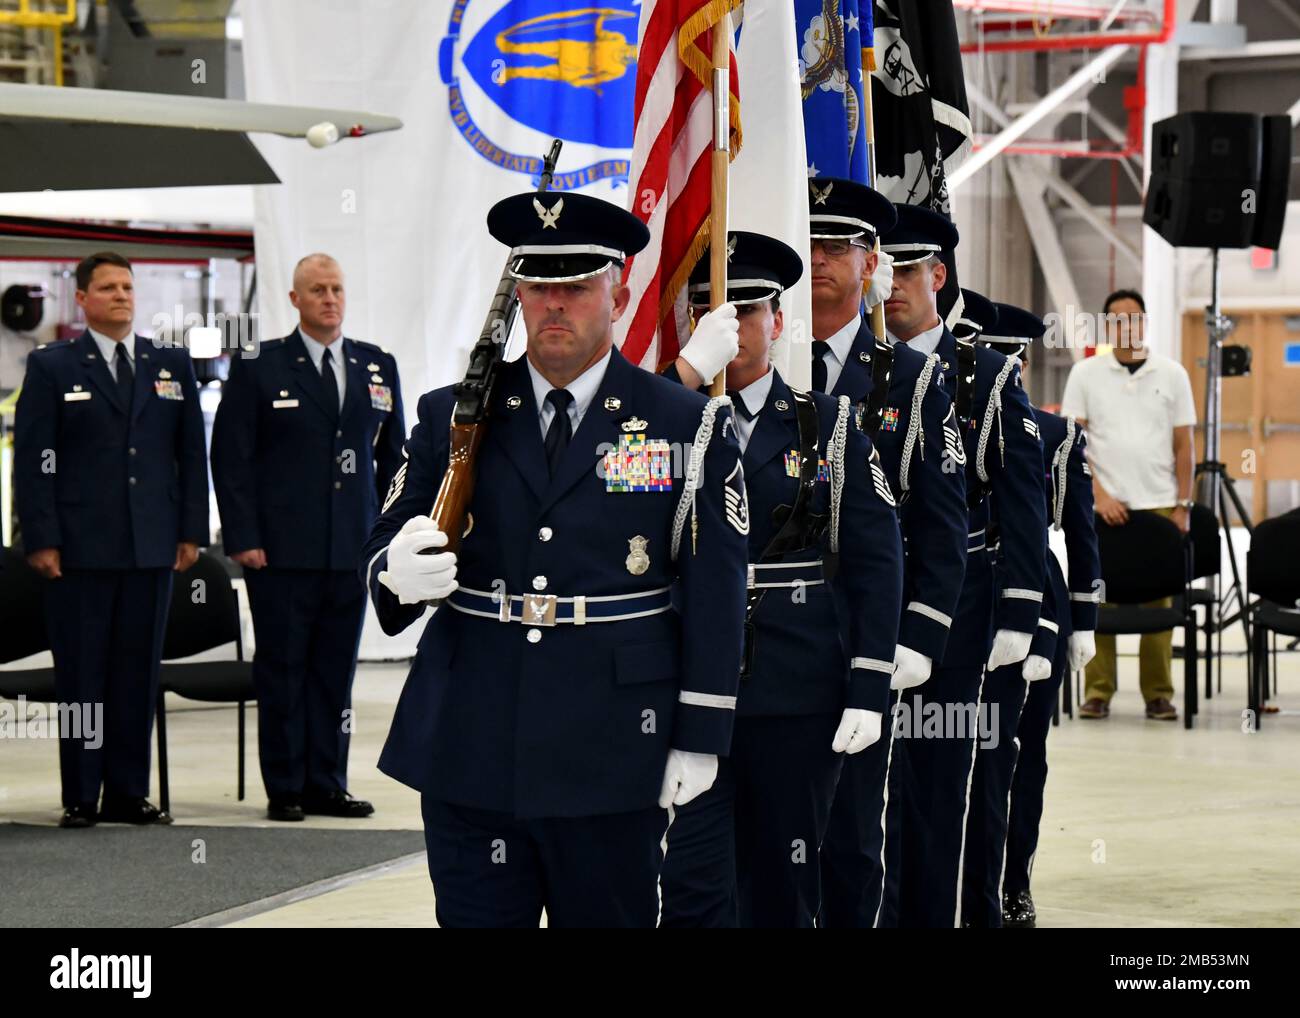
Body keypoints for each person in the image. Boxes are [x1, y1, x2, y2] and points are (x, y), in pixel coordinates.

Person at [359, 191, 749, 927]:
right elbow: (386, 536)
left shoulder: (684, 423)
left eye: (577, 285)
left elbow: (716, 589)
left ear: (619, 291)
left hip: (612, 744)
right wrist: (390, 569)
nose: (556, 305)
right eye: (540, 286)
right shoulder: (454, 413)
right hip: (472, 734)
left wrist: (701, 733)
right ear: (518, 296)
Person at [658, 230, 904, 926]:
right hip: (687, 682)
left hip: (795, 687)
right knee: (693, 885)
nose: (731, 327)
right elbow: (610, 475)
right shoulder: (663, 422)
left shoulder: (825, 426)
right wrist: (680, 377)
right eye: (712, 311)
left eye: (747, 310)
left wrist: (868, 683)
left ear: (777, 320)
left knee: (784, 881)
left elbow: (877, 558)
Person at [797, 177, 969, 928]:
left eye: (839, 246)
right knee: (753, 836)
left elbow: (940, 521)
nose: (822, 259)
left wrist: (921, 633)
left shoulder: (912, 377)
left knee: (850, 835)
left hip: (858, 634)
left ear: (872, 264)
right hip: (755, 637)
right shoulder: (753, 362)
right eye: (809, 244)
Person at [876, 207, 1047, 928]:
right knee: (867, 786)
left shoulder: (985, 372)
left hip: (962, 598)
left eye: (909, 273)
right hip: (874, 593)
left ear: (938, 278)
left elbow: (1022, 497)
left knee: (942, 782)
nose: (894, 290)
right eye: (886, 273)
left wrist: (1019, 609)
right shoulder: (864, 369)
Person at [14, 251, 208, 828]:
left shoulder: (169, 364)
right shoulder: (53, 366)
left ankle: (129, 792)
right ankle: (81, 794)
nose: (121, 295)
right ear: (82, 299)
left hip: (151, 545)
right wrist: (41, 537)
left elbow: (189, 456)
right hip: (78, 550)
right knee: (82, 675)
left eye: (127, 286)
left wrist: (191, 530)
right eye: (107, 287)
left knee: (137, 672)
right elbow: (34, 460)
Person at [211, 253, 405, 821]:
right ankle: (287, 786)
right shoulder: (261, 366)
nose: (329, 298)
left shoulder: (375, 365)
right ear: (294, 299)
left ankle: (328, 781)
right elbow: (232, 458)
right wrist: (243, 535)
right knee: (284, 670)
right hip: (279, 551)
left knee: (334, 672)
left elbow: (394, 460)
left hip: (351, 548)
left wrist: (389, 534)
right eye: (317, 290)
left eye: (337, 288)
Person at [961, 300, 1100, 928]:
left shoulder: (1053, 432)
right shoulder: (947, 413)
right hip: (966, 595)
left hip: (1034, 602)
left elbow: (1078, 528)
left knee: (1020, 755)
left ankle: (1013, 880)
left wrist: (1083, 617)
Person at [1059, 288, 1196, 721]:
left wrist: (1183, 503)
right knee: (1099, 598)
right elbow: (1072, 443)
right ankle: (1098, 691)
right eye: (1116, 319)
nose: (1125, 326)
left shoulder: (1172, 374)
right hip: (1103, 507)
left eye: (1133, 318)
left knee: (1159, 601)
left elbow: (1184, 445)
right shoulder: (1085, 374)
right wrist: (1097, 494)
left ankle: (1158, 694)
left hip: (1157, 505)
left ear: (1144, 323)